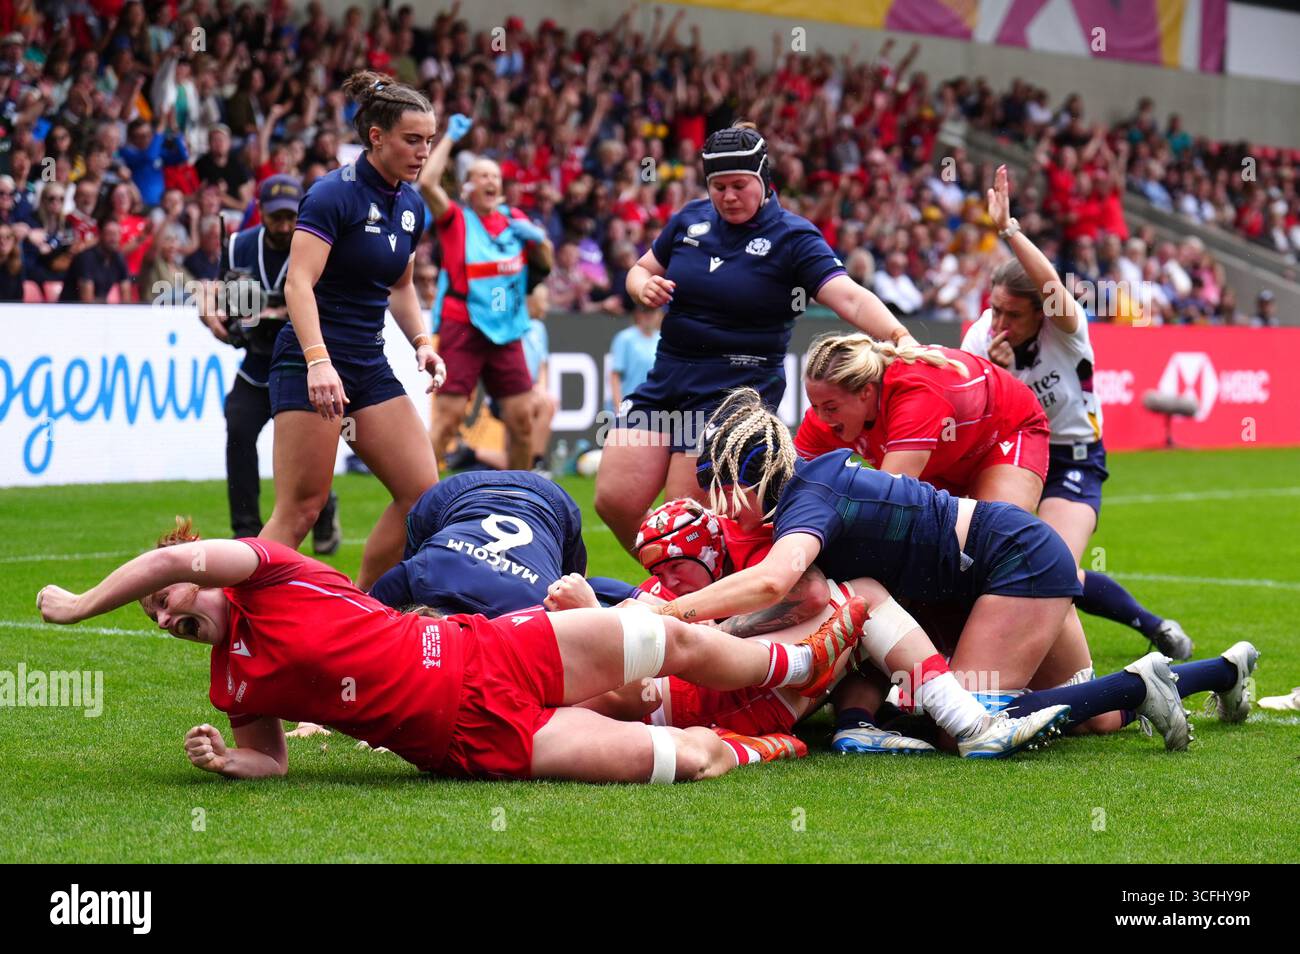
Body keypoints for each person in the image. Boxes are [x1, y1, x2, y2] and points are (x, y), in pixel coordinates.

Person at [34, 522, 863, 782]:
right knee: (694, 758)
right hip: (474, 743)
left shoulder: (269, 570)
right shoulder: (235, 683)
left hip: (493, 650)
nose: (165, 614)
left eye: (165, 603)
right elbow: (273, 763)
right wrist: (228, 761)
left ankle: (796, 666)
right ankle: (775, 736)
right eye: (155, 621)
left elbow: (172, 560)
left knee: (670, 640)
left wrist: (80, 607)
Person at [655, 387, 1088, 758]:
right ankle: (1132, 694)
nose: (717, 507)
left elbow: (772, 581)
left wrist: (672, 615)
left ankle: (1135, 685)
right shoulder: (801, 493)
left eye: (719, 489)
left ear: (747, 479)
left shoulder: (807, 498)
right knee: (1099, 724)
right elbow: (810, 598)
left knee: (962, 732)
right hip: (969, 575)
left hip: (1011, 558)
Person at [594, 121, 917, 551]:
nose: (728, 197)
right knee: (614, 499)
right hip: (667, 379)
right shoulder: (689, 220)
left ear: (764, 179)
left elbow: (851, 298)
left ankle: (698, 603)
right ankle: (677, 581)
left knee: (684, 512)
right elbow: (641, 268)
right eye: (718, 186)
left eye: (739, 185)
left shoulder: (793, 236)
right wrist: (641, 287)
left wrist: (899, 335)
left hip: (734, 390)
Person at [961, 165, 1192, 659]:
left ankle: (1148, 629)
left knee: (1056, 567)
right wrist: (993, 378)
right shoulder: (980, 338)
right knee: (1000, 561)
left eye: (1013, 314)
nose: (999, 323)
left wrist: (1009, 230)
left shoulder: (1065, 329)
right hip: (1015, 458)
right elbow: (973, 421)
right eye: (995, 309)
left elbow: (1051, 287)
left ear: (1040, 313)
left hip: (1074, 457)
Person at [262, 71, 444, 590]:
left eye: (428, 141)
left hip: (367, 365)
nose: (423, 152)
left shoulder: (411, 205)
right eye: (413, 140)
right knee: (300, 510)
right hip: (308, 361)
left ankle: (363, 604)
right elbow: (298, 283)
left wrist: (423, 344)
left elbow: (402, 287)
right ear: (376, 137)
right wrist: (319, 361)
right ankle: (233, 616)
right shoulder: (330, 194)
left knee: (422, 496)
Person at [199, 175, 341, 551]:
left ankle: (324, 509)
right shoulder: (238, 245)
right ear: (259, 211)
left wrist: (271, 311)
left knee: (304, 450)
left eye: (290, 217)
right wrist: (211, 310)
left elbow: (323, 302)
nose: (283, 225)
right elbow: (217, 290)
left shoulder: (315, 242)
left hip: (300, 362)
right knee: (239, 428)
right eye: (275, 217)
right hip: (257, 362)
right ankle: (245, 529)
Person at [419, 112, 554, 472]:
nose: (491, 182)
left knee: (521, 418)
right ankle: (419, 499)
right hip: (463, 326)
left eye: (495, 176)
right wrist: (448, 137)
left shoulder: (514, 220)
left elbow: (545, 262)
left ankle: (523, 497)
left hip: (507, 329)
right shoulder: (456, 220)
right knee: (446, 420)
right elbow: (428, 183)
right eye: (482, 176)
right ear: (468, 187)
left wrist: (539, 242)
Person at [796, 333, 1050, 510]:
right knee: (934, 560)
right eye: (814, 406)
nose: (821, 418)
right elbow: (790, 486)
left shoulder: (915, 393)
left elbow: (887, 499)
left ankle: (1081, 585)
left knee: (996, 542)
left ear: (866, 392)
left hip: (1004, 432)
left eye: (830, 408)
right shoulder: (823, 418)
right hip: (942, 457)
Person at [608, 302, 662, 410]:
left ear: (659, 314)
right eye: (645, 311)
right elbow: (615, 376)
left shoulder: (662, 339)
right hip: (629, 406)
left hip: (654, 407)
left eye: (652, 312)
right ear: (637, 314)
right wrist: (619, 407)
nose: (648, 315)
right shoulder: (624, 338)